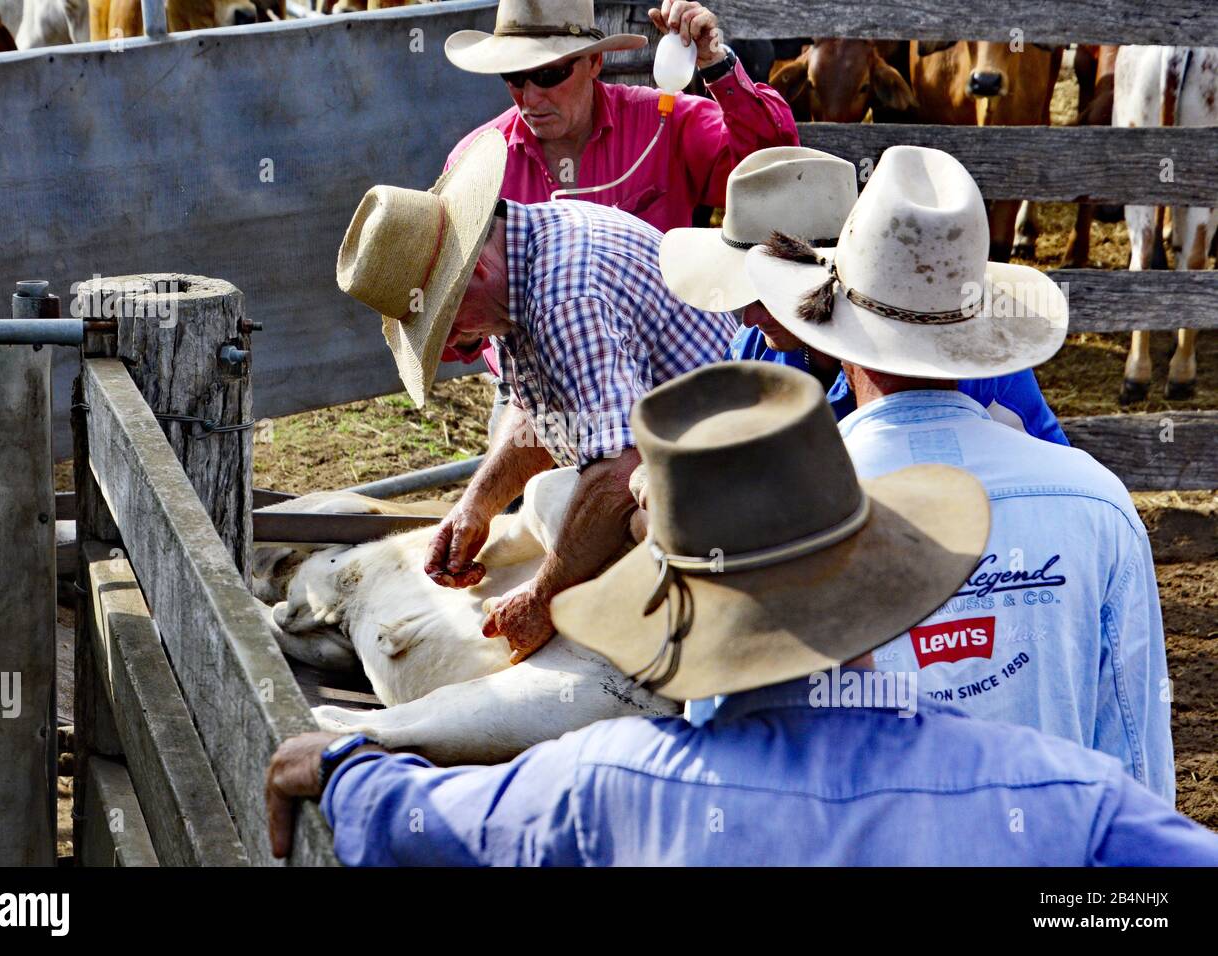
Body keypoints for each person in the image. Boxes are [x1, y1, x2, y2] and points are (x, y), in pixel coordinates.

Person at [265, 362, 1218, 866]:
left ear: (672, 604)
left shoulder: (601, 789)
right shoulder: (1047, 800)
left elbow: (430, 822)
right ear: (875, 583)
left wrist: (344, 768)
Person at [745, 144, 1175, 800]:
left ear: (836, 324)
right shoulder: (1097, 502)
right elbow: (1137, 771)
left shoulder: (777, 515)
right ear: (977, 331)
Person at [335, 130, 735, 664]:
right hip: (673, 461)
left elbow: (620, 470)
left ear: (473, 271)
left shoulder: (564, 300)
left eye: (443, 324)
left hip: (730, 492)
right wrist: (476, 505)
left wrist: (544, 602)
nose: (452, 345)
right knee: (551, 498)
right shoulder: (526, 254)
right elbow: (549, 411)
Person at [442, 0, 797, 427]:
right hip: (542, 385)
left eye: (549, 74)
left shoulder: (662, 122)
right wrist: (470, 327)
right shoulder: (476, 167)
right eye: (514, 77)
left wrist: (715, 66)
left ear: (594, 62)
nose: (530, 96)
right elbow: (448, 311)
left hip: (673, 373)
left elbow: (768, 167)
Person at [658, 144, 1068, 443]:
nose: (748, 317)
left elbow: (1045, 467)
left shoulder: (967, 357)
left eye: (763, 293)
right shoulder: (754, 350)